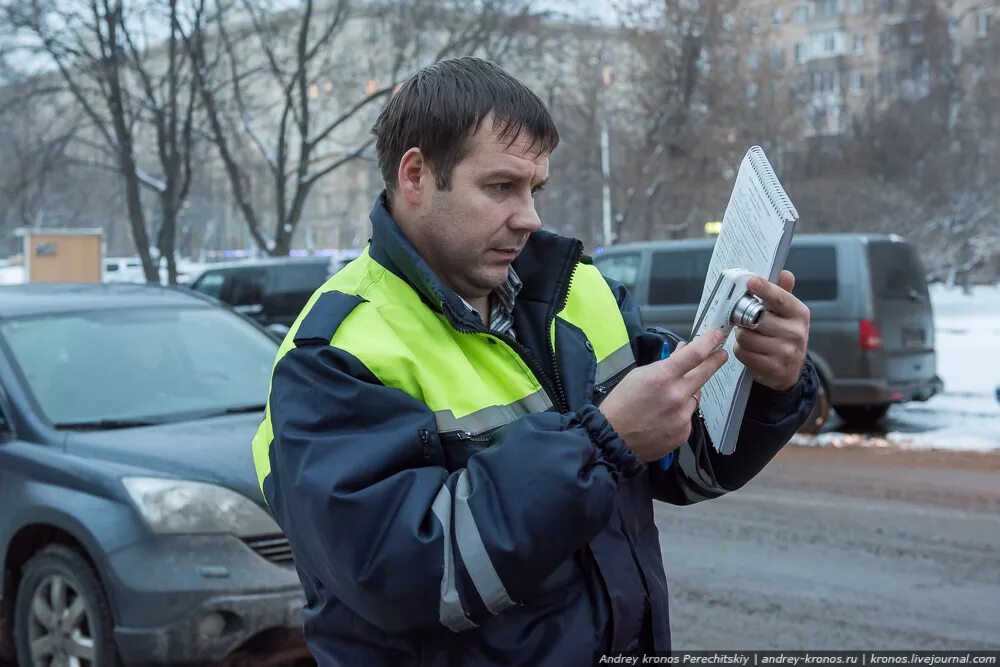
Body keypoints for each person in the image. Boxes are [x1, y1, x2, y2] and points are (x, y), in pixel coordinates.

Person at [251, 57, 818, 665]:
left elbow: (689, 466)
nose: (530, 217)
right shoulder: (334, 353)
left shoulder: (577, 292)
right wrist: (601, 443)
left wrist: (768, 382)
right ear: (414, 176)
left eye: (534, 188)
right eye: (501, 187)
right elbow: (412, 576)